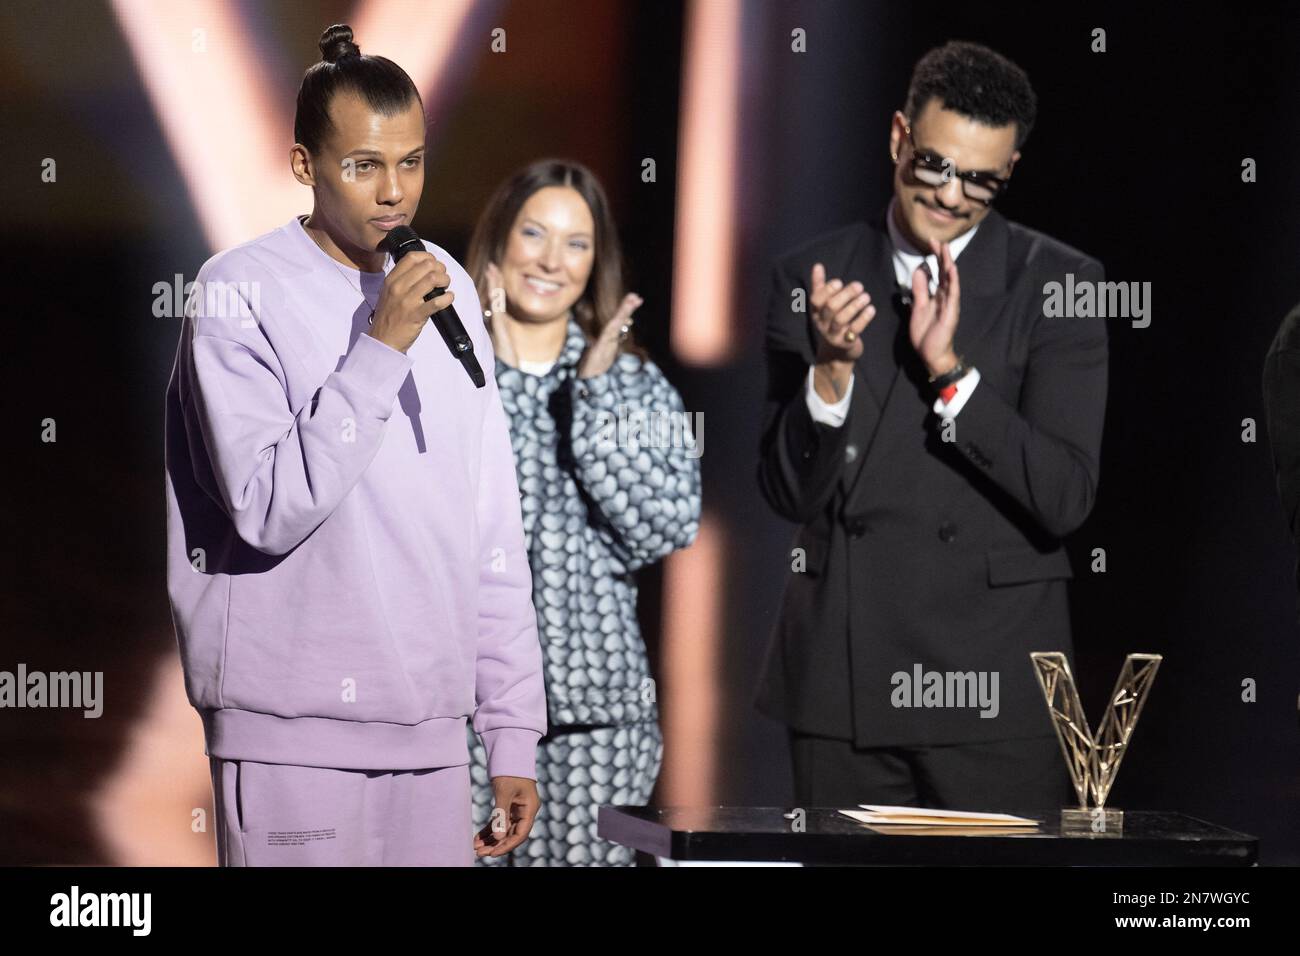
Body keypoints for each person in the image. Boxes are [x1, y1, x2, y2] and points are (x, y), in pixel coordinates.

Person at [163, 24, 547, 866]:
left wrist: (512, 732)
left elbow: (489, 534)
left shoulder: (445, 290)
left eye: (410, 162)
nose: (392, 193)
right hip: (290, 739)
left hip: (433, 741)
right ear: (305, 166)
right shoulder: (239, 292)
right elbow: (266, 509)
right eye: (364, 164)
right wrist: (378, 348)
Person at [755, 41, 1108, 815]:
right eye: (934, 164)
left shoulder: (1062, 285)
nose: (951, 196)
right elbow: (786, 493)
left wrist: (950, 374)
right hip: (844, 687)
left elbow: (1065, 496)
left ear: (1010, 170)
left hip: (997, 691)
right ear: (896, 138)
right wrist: (830, 373)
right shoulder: (811, 278)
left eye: (981, 177)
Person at [462, 159, 701, 865]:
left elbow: (668, 525)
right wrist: (494, 364)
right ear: (498, 242)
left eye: (576, 243)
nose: (550, 260)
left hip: (599, 722)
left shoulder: (632, 379)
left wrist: (594, 402)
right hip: (465, 714)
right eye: (534, 233)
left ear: (597, 262)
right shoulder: (447, 373)